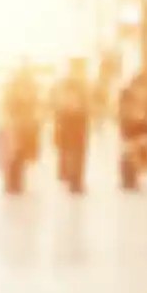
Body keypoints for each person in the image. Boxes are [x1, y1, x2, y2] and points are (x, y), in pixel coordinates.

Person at [53, 59, 92, 194]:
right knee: (72, 151)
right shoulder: (72, 85)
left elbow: (87, 105)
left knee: (76, 151)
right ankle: (73, 180)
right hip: (71, 121)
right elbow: (59, 103)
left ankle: (75, 180)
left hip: (77, 121)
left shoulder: (78, 85)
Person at [0, 63, 41, 195]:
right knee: (14, 156)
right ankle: (12, 184)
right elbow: (6, 107)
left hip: (24, 127)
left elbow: (35, 107)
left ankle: (15, 183)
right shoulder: (14, 91)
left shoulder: (28, 90)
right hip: (16, 127)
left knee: (20, 156)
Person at [118, 72, 147, 190]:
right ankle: (128, 180)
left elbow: (144, 112)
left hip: (138, 127)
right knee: (129, 153)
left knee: (136, 153)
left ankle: (132, 179)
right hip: (130, 127)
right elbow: (124, 112)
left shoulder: (141, 94)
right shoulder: (127, 94)